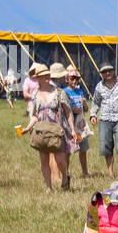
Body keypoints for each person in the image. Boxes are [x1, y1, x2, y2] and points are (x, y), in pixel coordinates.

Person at [20, 63, 74, 191]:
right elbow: (35, 115)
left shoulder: (59, 93)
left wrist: (72, 129)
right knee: (44, 161)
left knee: (60, 159)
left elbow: (68, 112)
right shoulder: (35, 95)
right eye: (42, 76)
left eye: (47, 75)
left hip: (57, 130)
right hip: (42, 130)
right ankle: (49, 187)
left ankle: (65, 176)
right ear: (37, 78)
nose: (46, 78)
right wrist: (28, 128)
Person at [62, 67, 92, 177]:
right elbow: (63, 110)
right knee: (68, 151)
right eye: (72, 79)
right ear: (67, 80)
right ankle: (66, 173)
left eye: (77, 79)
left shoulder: (80, 91)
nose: (75, 81)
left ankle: (85, 172)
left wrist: (84, 104)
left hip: (80, 125)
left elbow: (87, 109)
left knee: (83, 150)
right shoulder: (64, 92)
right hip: (70, 126)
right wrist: (73, 110)